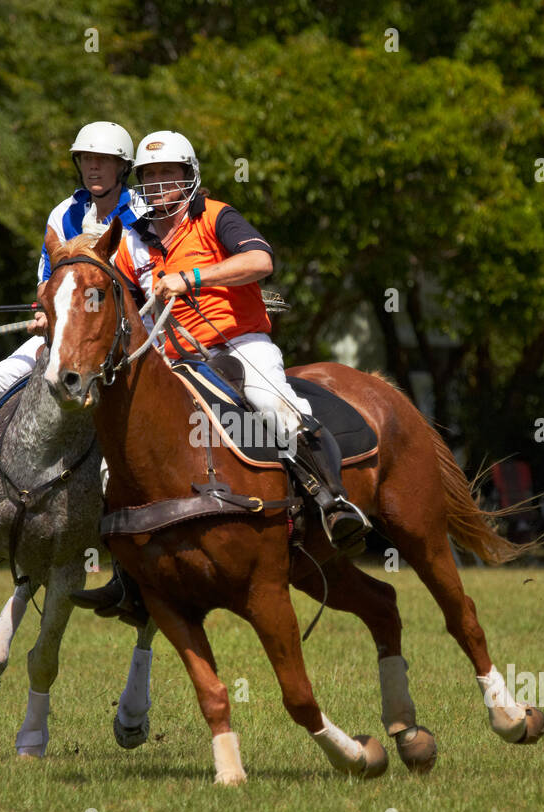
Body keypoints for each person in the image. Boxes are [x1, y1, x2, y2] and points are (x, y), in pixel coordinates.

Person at [70, 130, 370, 621]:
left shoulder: (215, 218)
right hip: (170, 356)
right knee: (119, 455)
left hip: (238, 341)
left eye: (170, 174)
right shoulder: (132, 242)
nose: (160, 184)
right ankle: (131, 578)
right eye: (150, 176)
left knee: (276, 409)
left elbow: (260, 261)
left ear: (189, 178)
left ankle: (333, 504)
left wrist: (191, 278)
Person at [0, 121, 144, 515]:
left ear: (122, 167)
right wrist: (44, 314)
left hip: (123, 338)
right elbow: (46, 281)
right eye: (86, 159)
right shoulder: (63, 213)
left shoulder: (140, 213)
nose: (94, 168)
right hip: (64, 332)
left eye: (104, 161)